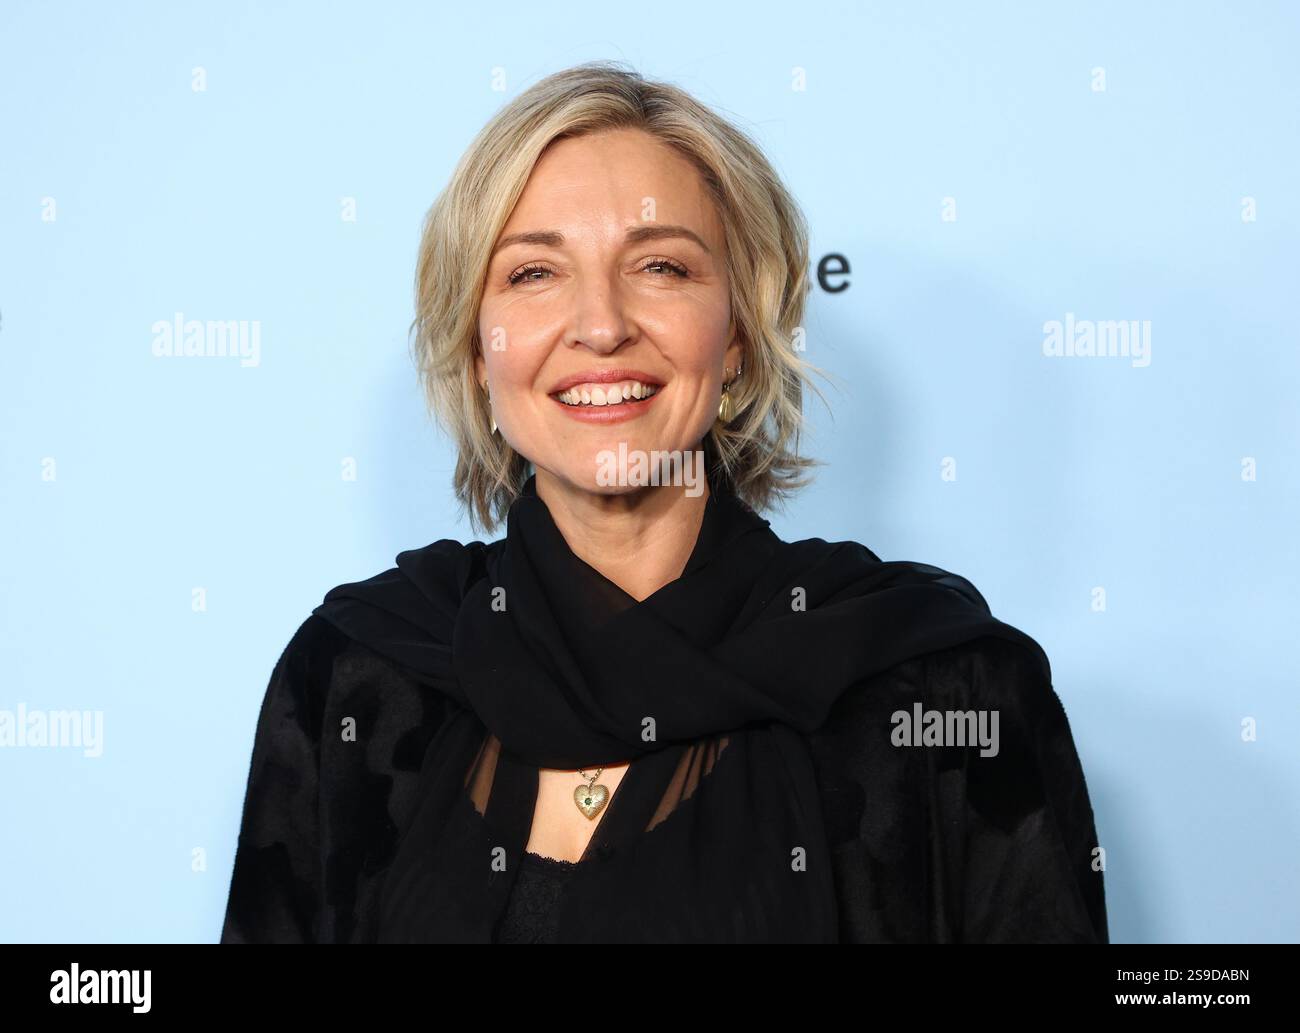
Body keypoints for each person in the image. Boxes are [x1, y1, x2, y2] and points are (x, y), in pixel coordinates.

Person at [219, 61, 1108, 944]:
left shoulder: (948, 693)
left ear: (739, 342)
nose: (601, 325)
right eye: (534, 273)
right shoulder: (353, 676)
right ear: (477, 353)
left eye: (661, 266)